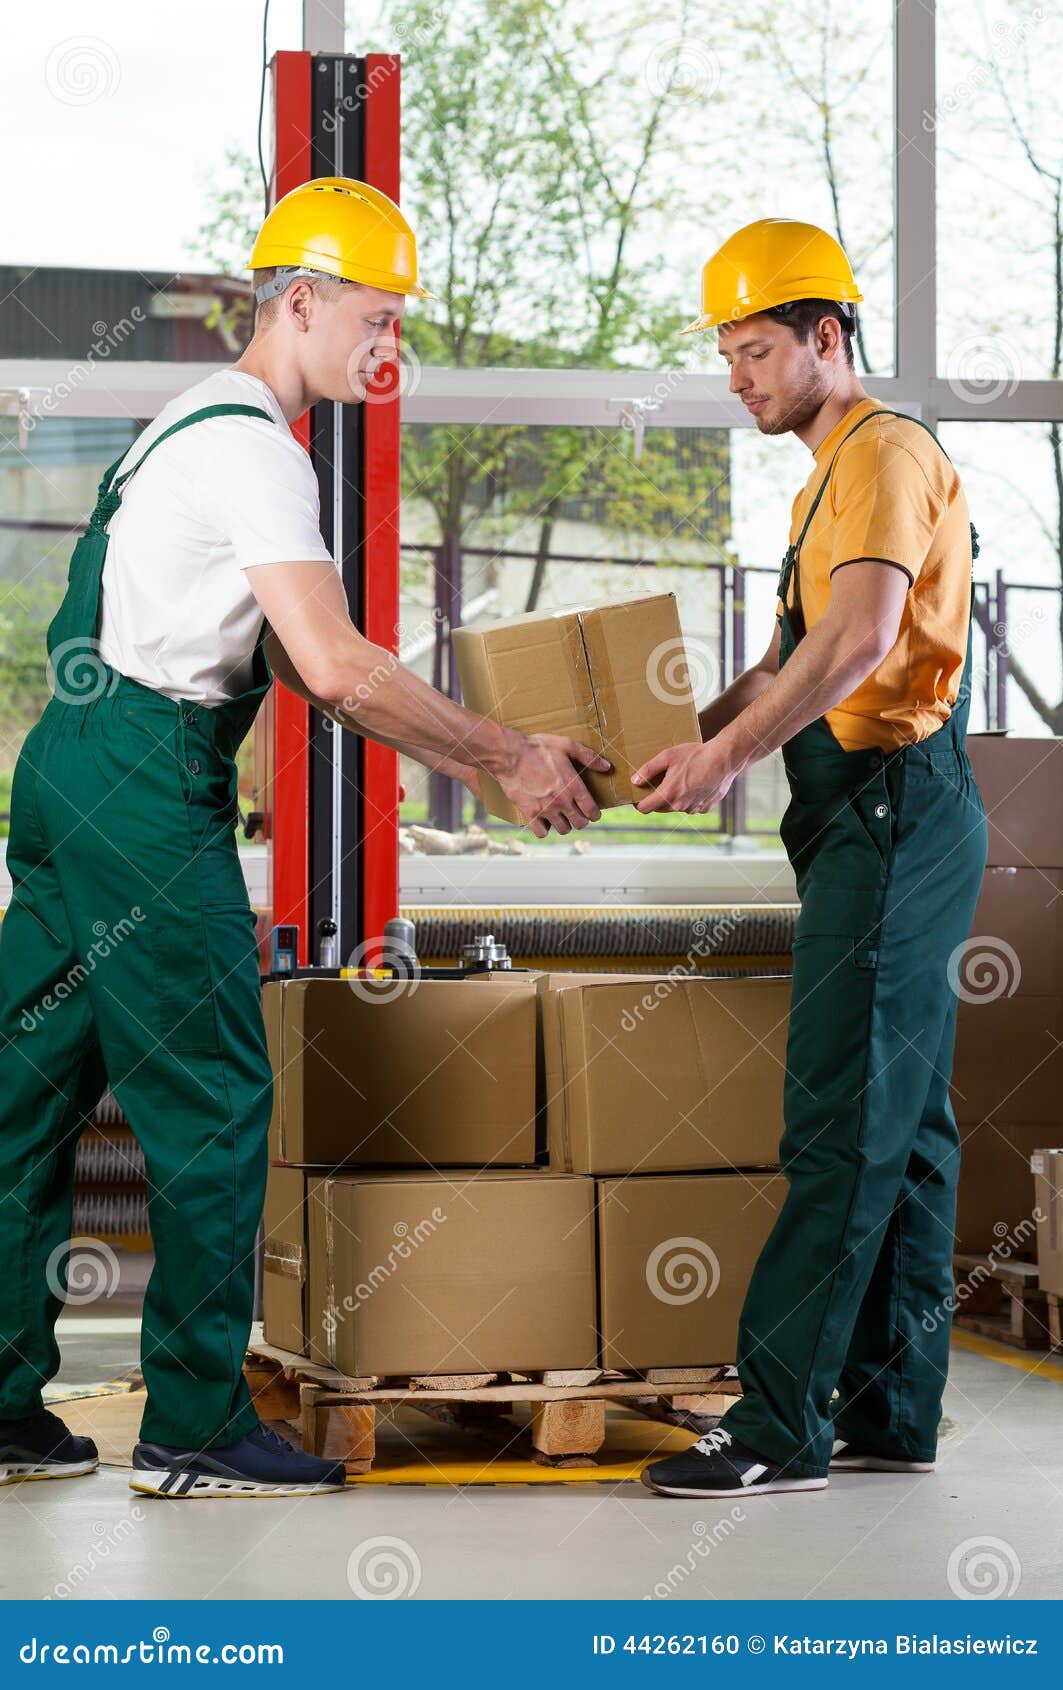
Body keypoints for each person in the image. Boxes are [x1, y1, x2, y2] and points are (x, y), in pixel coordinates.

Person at [0, 177, 608, 1501]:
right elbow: (329, 665)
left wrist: (451, 732)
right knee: (214, 1101)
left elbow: (280, 647)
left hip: (66, 767)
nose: (384, 349)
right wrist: (504, 757)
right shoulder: (260, 449)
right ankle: (196, 1425)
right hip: (144, 781)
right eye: (375, 319)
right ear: (301, 300)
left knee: (22, 1092)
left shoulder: (178, 424)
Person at [637, 218, 987, 1499]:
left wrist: (732, 759)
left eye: (754, 349)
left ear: (825, 338)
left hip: (891, 806)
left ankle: (777, 1423)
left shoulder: (882, 453)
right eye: (725, 353)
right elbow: (791, 658)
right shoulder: (823, 476)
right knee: (908, 1123)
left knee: (839, 1119)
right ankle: (893, 1409)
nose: (735, 376)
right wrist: (688, 737)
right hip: (869, 807)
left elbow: (856, 636)